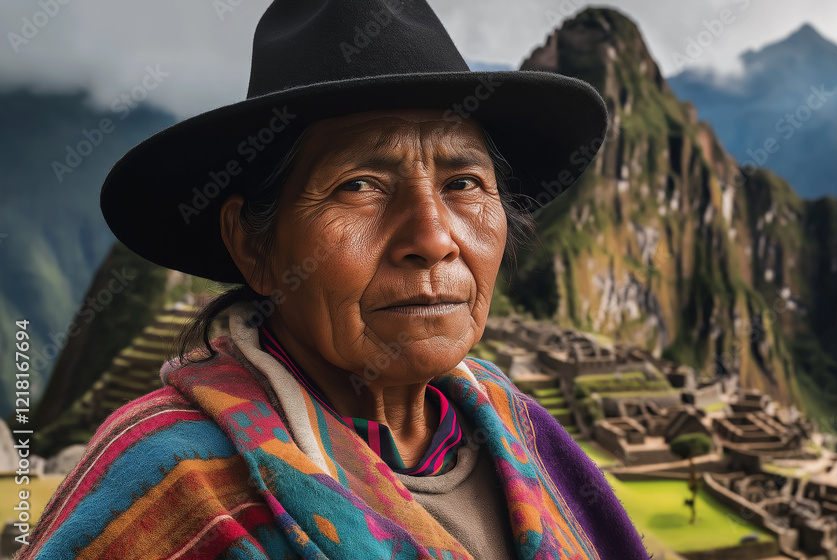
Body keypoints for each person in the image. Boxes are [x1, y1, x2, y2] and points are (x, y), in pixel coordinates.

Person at [17, 1, 649, 558]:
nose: (433, 238)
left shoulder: (521, 430)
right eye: (360, 186)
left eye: (463, 183)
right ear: (254, 246)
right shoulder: (166, 484)